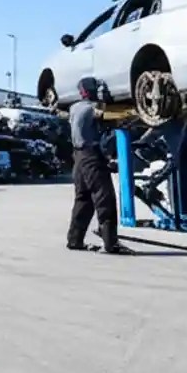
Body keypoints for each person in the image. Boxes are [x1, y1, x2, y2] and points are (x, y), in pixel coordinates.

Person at [67, 77, 129, 254]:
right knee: (105, 197)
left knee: (83, 198)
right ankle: (110, 243)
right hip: (91, 156)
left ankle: (75, 240)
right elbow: (109, 117)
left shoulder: (74, 108)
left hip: (78, 157)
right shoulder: (93, 108)